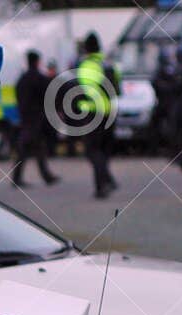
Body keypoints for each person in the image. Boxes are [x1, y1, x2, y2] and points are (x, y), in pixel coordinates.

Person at [75, 33, 118, 199]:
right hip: (109, 113)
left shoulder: (88, 65)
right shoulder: (108, 63)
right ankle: (107, 180)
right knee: (103, 151)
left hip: (93, 113)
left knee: (92, 151)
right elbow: (116, 89)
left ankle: (103, 185)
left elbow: (86, 91)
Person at [11, 49, 58, 187]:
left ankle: (46, 176)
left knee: (37, 148)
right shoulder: (38, 78)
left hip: (25, 117)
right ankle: (18, 178)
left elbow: (18, 96)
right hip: (35, 119)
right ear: (37, 62)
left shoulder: (22, 79)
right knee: (25, 148)